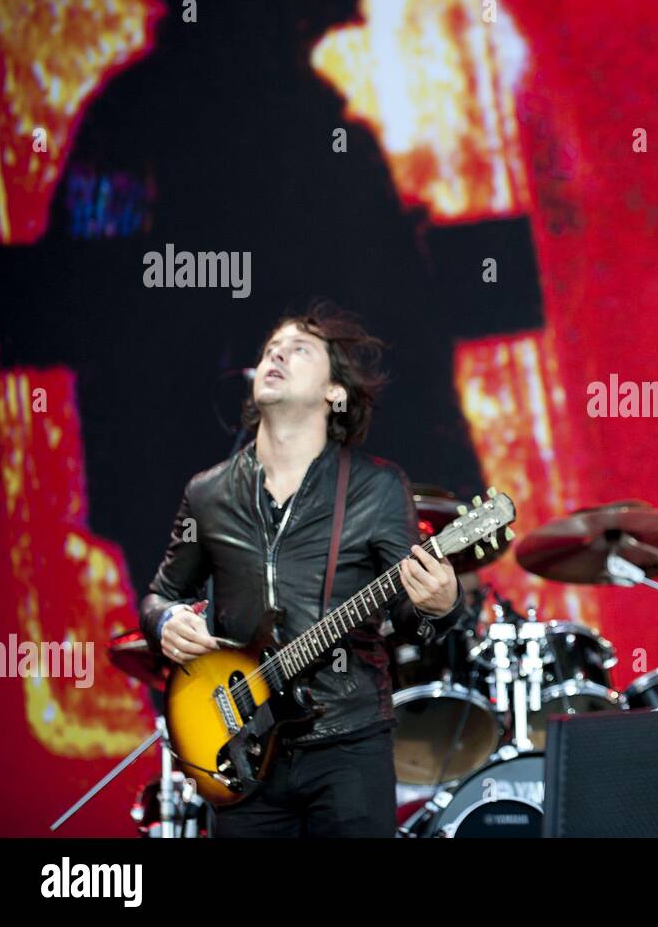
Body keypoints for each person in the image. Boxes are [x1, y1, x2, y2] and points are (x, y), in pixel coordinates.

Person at [140, 302, 464, 836]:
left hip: (348, 743)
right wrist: (166, 620)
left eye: (300, 349)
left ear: (334, 393)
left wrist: (440, 603)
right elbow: (158, 596)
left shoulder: (376, 489)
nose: (277, 354)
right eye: (271, 349)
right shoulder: (209, 492)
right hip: (241, 746)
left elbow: (413, 622)